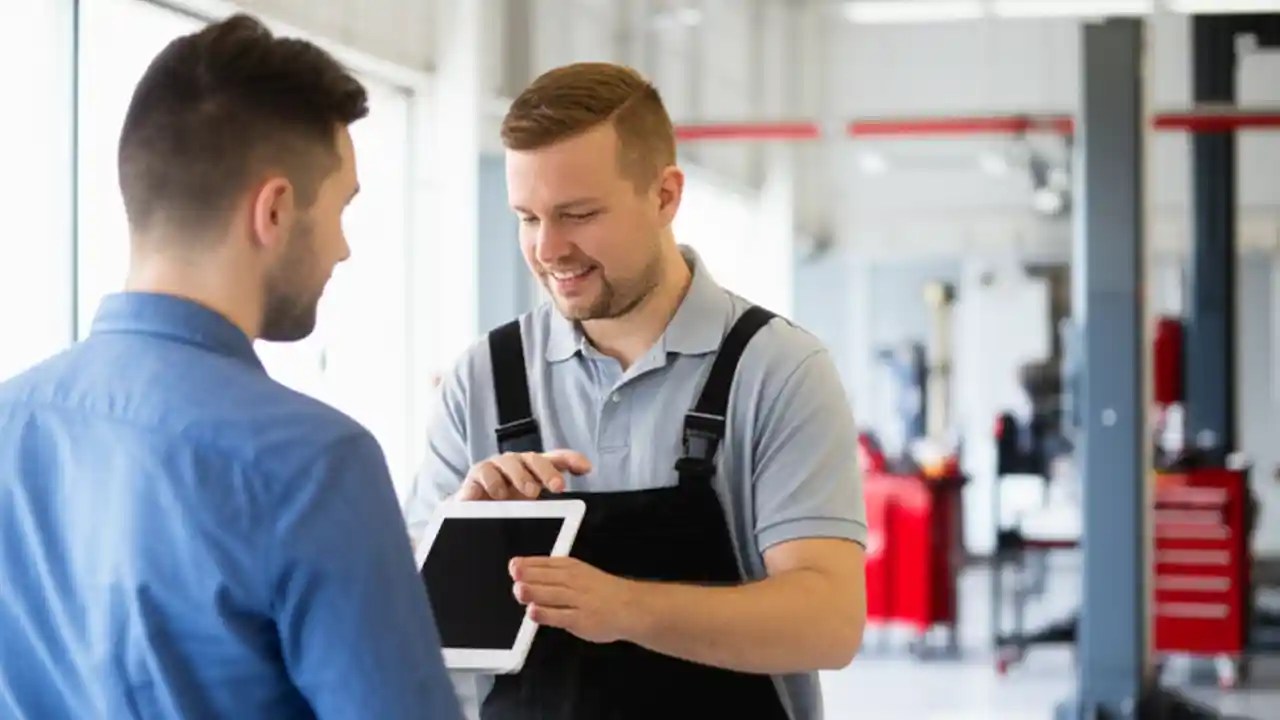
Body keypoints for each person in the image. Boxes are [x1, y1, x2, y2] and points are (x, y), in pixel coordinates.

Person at [0, 14, 460, 720]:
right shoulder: (313, 464)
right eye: (341, 209)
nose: (343, 249)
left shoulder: (11, 421)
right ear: (274, 211)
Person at [405, 61, 867, 720]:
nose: (548, 248)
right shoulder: (481, 378)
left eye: (579, 214)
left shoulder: (778, 370)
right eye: (528, 217)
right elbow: (408, 626)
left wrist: (625, 608)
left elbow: (828, 622)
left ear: (665, 196)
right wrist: (468, 530)